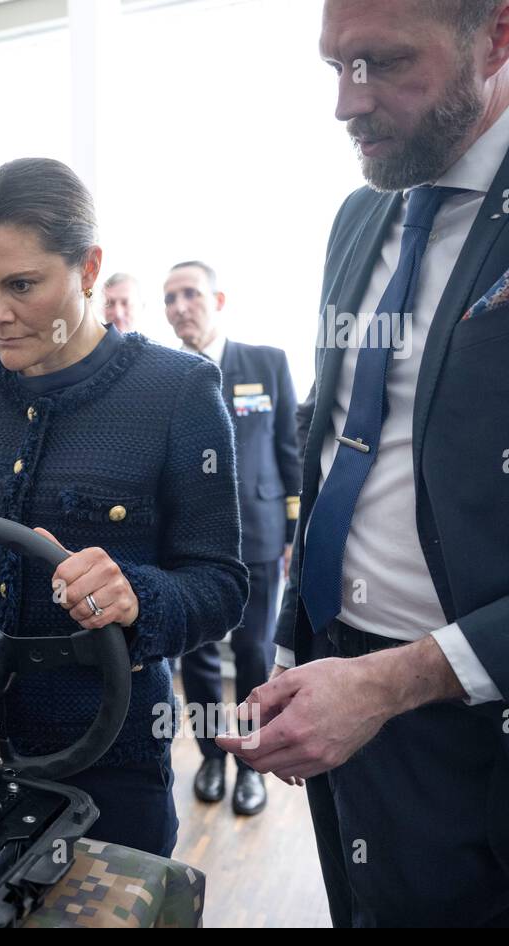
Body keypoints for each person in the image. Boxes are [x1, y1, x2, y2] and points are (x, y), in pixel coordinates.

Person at [222, 0, 509, 927]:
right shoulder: (358, 216)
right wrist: (301, 641)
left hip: (491, 732)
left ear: (498, 35)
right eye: (335, 64)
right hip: (337, 693)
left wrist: (392, 682)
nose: (345, 102)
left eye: (379, 63)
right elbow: (332, 438)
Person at [0, 158, 248, 856]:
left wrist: (137, 596)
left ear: (89, 267)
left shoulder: (178, 391)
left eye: (21, 285)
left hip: (109, 760)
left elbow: (218, 586)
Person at [165, 260, 300, 816]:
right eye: (169, 298)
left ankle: (250, 763)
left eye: (190, 294)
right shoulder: (164, 373)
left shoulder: (265, 364)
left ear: (218, 300)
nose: (179, 307)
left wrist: (295, 530)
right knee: (196, 659)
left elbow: (289, 449)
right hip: (188, 542)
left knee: (252, 652)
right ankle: (211, 757)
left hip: (261, 536)